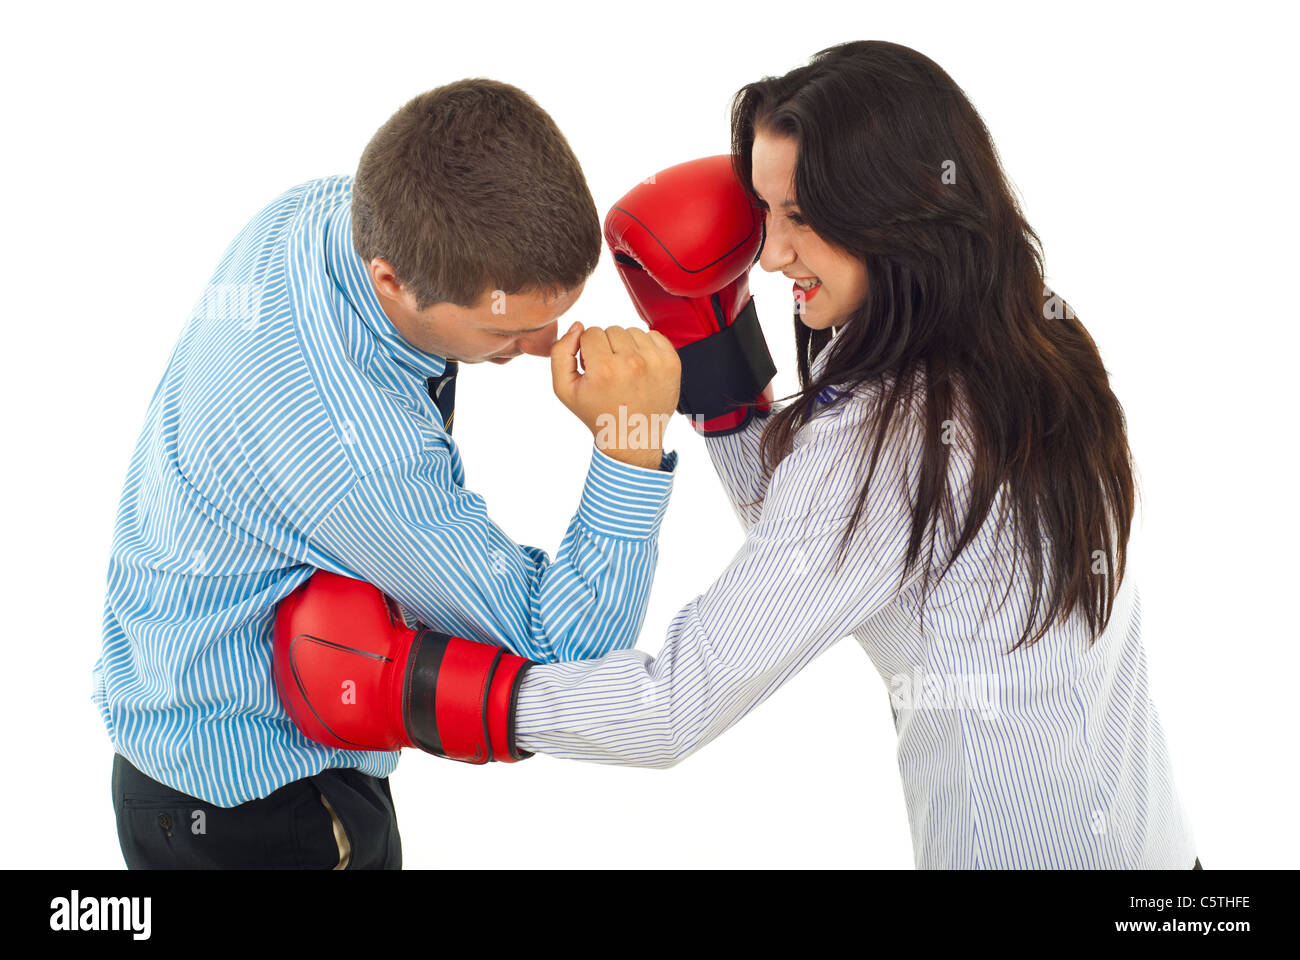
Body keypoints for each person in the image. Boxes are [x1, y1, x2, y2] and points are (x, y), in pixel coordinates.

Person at [276, 41, 1201, 869]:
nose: (767, 256)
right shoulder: (1035, 335)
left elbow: (673, 706)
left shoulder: (888, 442)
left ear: (899, 212)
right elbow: (821, 557)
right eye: (764, 211)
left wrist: (418, 684)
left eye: (800, 217)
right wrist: (716, 369)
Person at [92, 78, 683, 869]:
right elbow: (562, 654)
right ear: (391, 281)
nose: (545, 346)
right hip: (265, 816)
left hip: (169, 755)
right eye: (509, 330)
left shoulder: (313, 214)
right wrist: (629, 439)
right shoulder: (354, 454)